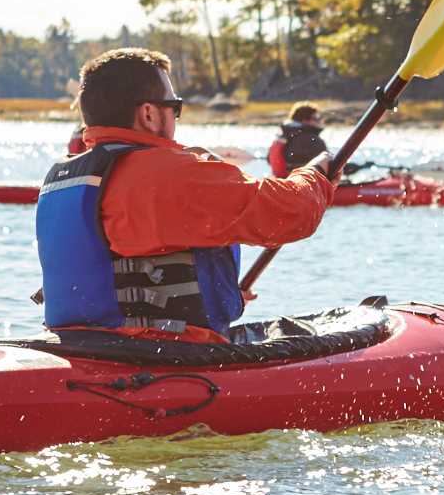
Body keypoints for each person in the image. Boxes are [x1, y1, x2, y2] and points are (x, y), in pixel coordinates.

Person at [37, 49, 333, 340]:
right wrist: (317, 174)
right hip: (162, 363)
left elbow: (117, 266)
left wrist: (218, 289)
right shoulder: (170, 174)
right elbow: (292, 212)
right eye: (174, 107)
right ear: (149, 113)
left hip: (76, 350)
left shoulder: (62, 178)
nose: (176, 119)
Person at [269, 104, 328, 175]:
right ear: (304, 120)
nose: (320, 120)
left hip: (284, 180)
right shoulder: (312, 140)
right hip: (301, 182)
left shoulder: (286, 135)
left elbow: (269, 159)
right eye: (316, 117)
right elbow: (326, 164)